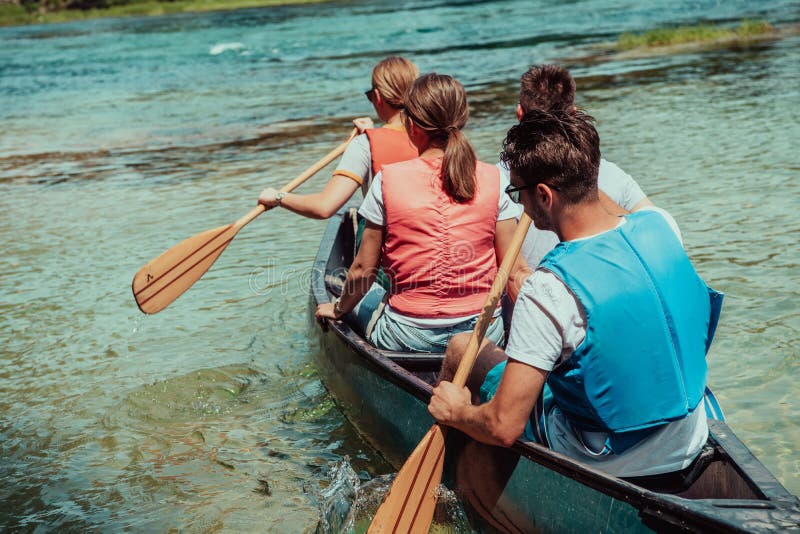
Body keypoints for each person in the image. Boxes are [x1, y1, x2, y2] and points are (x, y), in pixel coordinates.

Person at [429, 109, 723, 478]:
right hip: (689, 436)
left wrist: (458, 412)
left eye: (517, 193)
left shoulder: (550, 287)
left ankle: (462, 477)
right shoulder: (662, 225)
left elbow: (505, 426)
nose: (518, 205)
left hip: (610, 457)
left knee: (461, 350)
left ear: (543, 195)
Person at [315, 73, 529, 352]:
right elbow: (514, 271)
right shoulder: (494, 178)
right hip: (483, 332)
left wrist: (338, 309)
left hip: (408, 335)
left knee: (363, 293)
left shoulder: (387, 179)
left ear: (411, 125)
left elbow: (363, 271)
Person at [503, 64, 655, 267]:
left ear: (519, 113)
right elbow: (652, 233)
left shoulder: (493, 179)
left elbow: (514, 275)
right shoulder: (611, 174)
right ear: (574, 114)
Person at [258, 56, 419, 218]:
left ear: (377, 97)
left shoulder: (365, 146)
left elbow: (324, 207)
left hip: (392, 241)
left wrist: (278, 197)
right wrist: (372, 133)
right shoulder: (437, 133)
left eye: (370, 96)